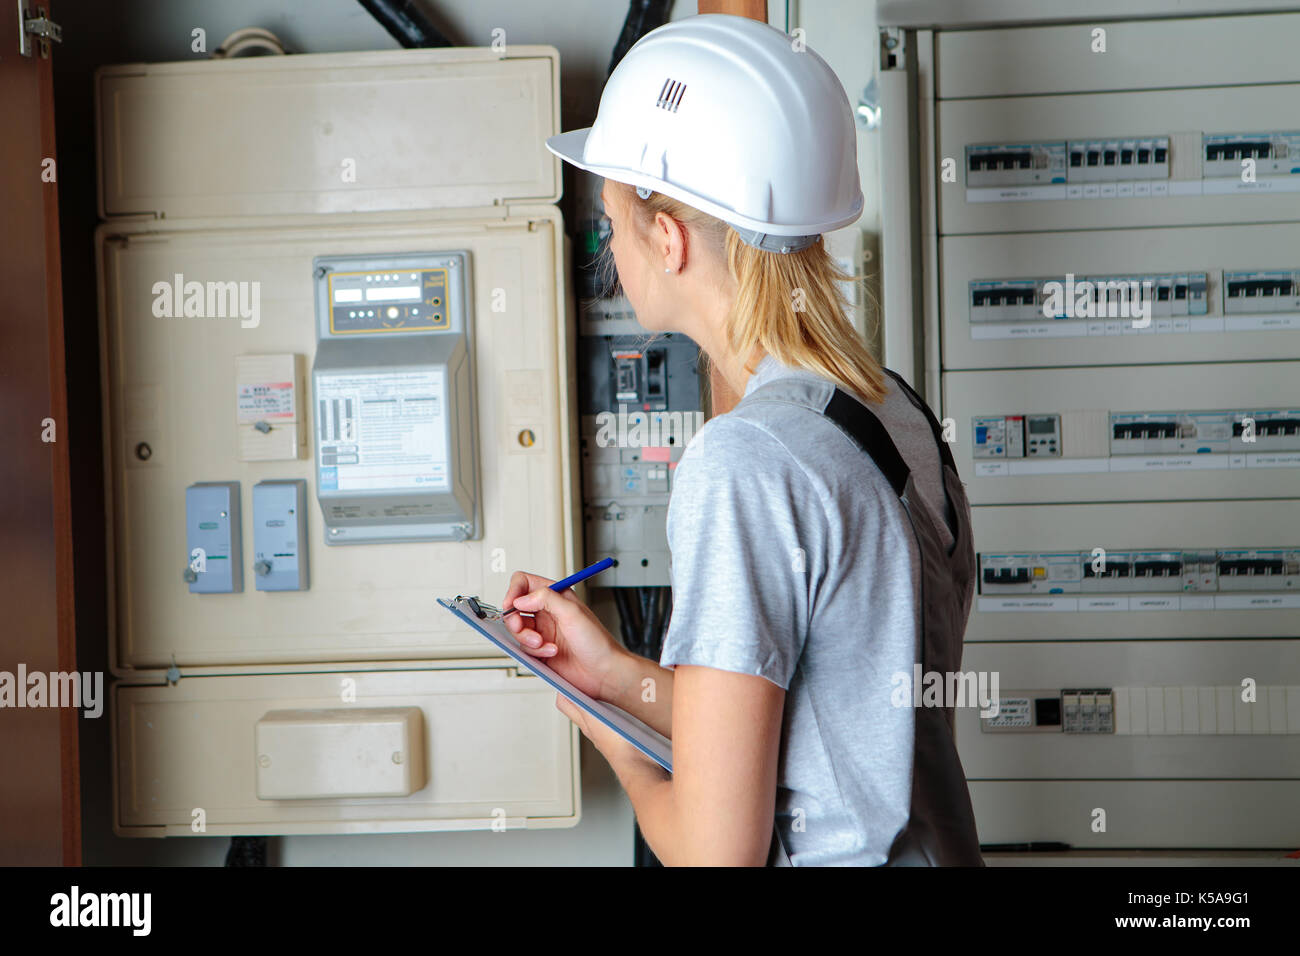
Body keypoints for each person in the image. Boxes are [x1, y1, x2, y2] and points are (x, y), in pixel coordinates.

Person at [503, 13, 983, 866]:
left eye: (614, 218)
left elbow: (711, 852)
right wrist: (612, 674)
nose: (611, 248)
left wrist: (605, 731)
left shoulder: (747, 462)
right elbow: (830, 725)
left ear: (670, 238)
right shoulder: (892, 412)